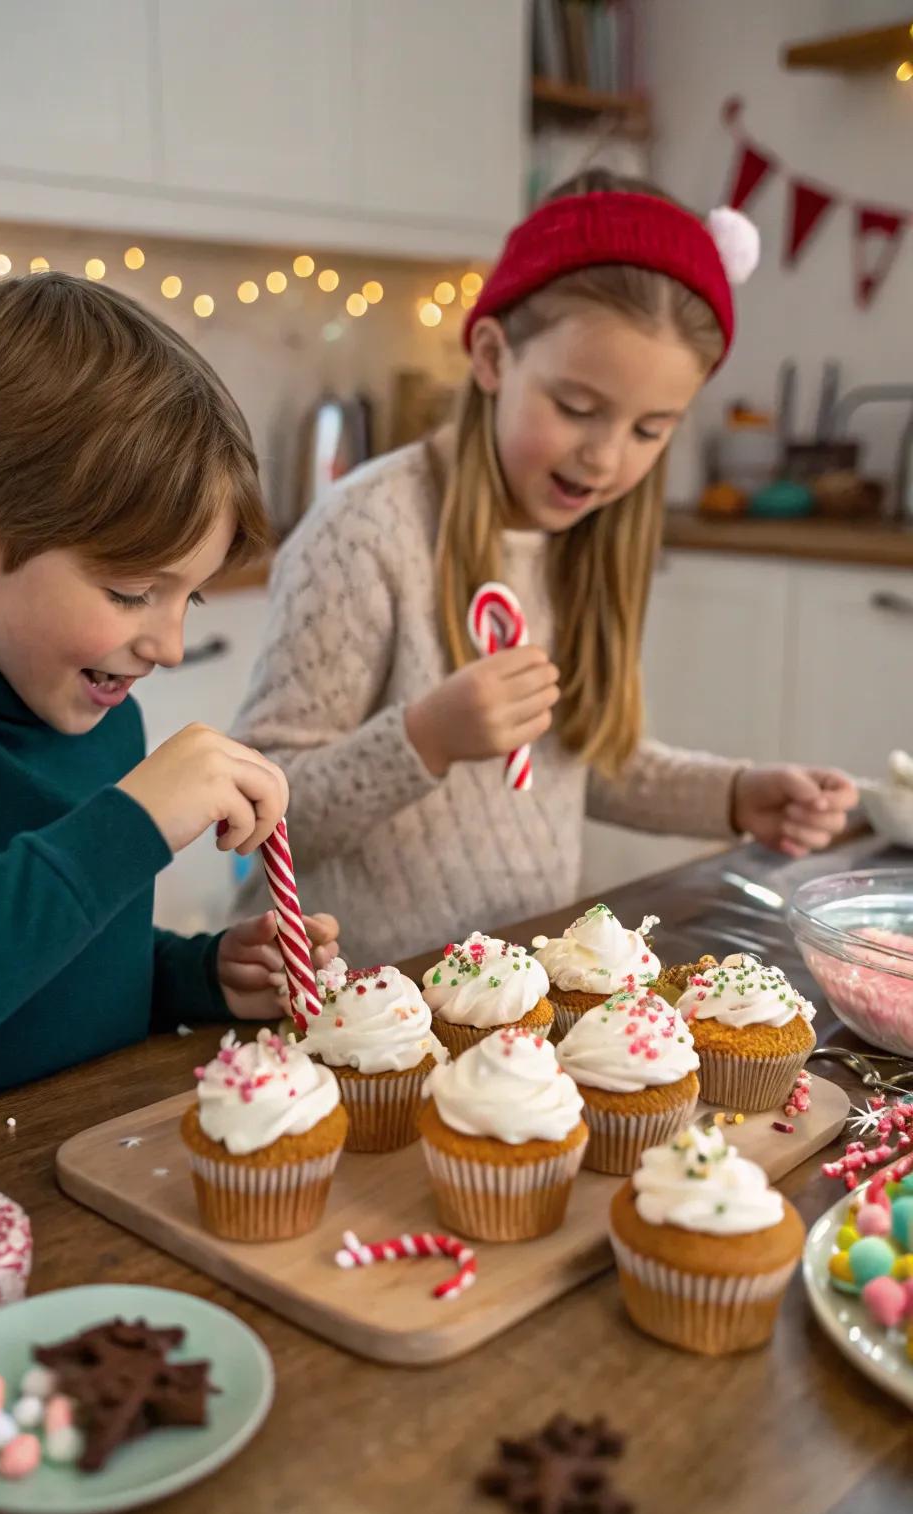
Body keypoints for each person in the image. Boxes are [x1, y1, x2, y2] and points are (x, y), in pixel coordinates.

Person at [231, 170, 856, 965]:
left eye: (650, 429)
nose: (604, 457)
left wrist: (733, 796)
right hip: (360, 1003)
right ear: (492, 355)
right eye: (577, 408)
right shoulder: (364, 532)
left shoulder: (589, 539)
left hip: (519, 993)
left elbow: (575, 762)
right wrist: (424, 738)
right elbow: (260, 817)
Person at [0, 273, 337, 1125]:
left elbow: (59, 975)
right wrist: (124, 829)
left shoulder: (100, 716)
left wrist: (194, 975)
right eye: (133, 592)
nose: (167, 646)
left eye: (188, 599)